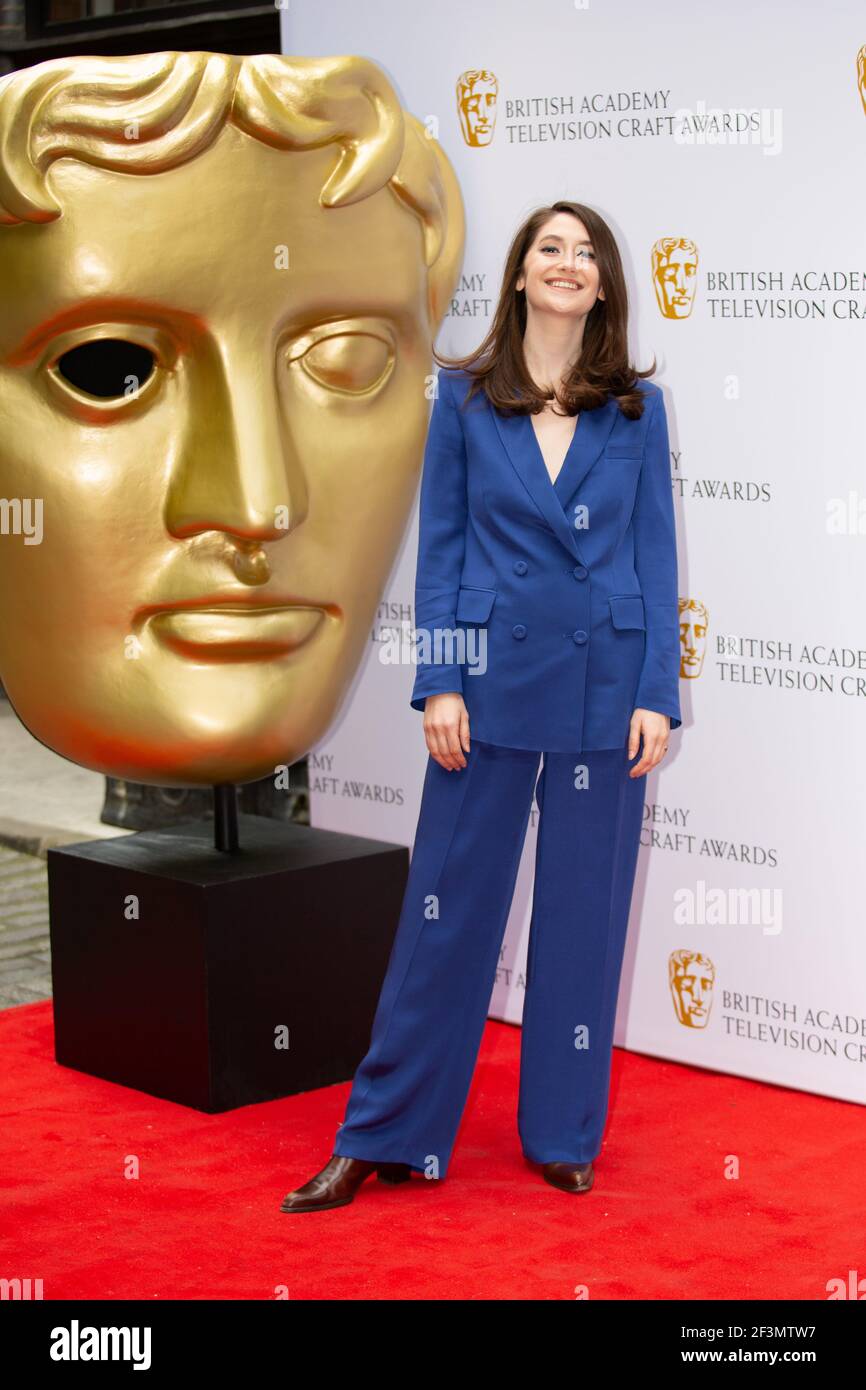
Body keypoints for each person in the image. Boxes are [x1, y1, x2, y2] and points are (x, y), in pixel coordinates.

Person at [281, 200, 682, 1213]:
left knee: (583, 919)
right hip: (489, 685)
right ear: (516, 274)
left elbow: (651, 551)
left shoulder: (634, 406)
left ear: (602, 286)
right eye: (549, 246)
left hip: (605, 687)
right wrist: (441, 679)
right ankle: (383, 1131)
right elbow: (445, 545)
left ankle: (560, 1132)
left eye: (586, 252)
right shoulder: (461, 398)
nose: (567, 262)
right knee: (443, 914)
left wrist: (653, 694)